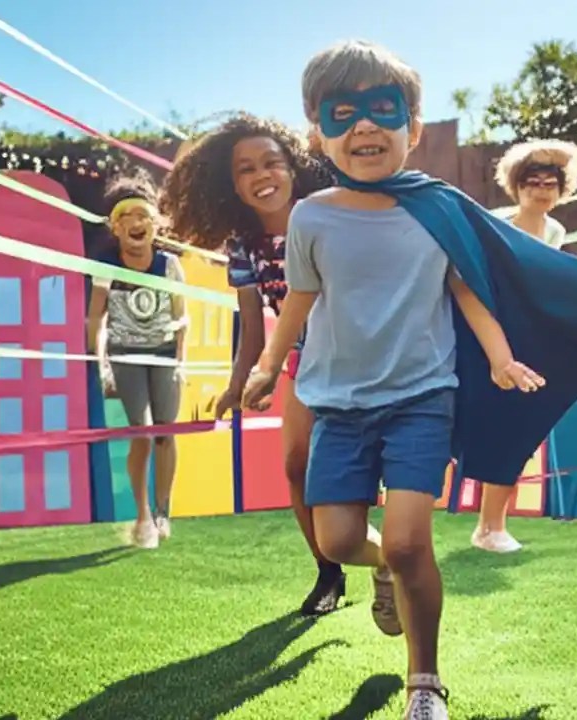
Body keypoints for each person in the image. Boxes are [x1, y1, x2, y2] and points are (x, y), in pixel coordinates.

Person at [242, 39, 577, 719]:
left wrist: (499, 356)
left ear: (412, 129)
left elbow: (469, 289)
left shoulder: (436, 207)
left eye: (382, 110)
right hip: (337, 403)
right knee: (339, 540)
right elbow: (301, 301)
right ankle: (384, 577)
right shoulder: (311, 216)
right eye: (343, 114)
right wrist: (267, 365)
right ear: (319, 133)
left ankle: (424, 682)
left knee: (406, 539)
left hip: (421, 400)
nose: (364, 126)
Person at [162, 113, 375, 615]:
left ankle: (381, 559)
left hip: (360, 358)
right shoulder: (242, 245)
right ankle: (328, 573)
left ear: (294, 167)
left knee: (356, 469)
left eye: (270, 163)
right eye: (245, 169)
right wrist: (238, 384)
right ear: (230, 183)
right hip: (301, 361)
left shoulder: (325, 215)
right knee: (295, 465)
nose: (261, 176)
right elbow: (253, 325)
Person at [470, 139, 577, 553]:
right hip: (490, 338)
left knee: (518, 431)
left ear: (562, 189)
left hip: (531, 341)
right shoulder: (498, 224)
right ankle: (487, 526)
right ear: (516, 186)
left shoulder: (556, 231)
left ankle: (492, 526)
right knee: (500, 430)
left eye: (549, 184)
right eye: (532, 183)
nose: (541, 190)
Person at [87, 173, 188, 550]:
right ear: (115, 227)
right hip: (126, 354)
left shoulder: (170, 265)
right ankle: (142, 516)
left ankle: (164, 510)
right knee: (142, 432)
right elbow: (96, 319)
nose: (135, 223)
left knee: (165, 432)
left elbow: (182, 319)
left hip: (163, 356)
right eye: (125, 216)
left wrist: (181, 362)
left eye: (142, 214)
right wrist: (102, 366)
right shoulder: (106, 267)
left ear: (155, 222)